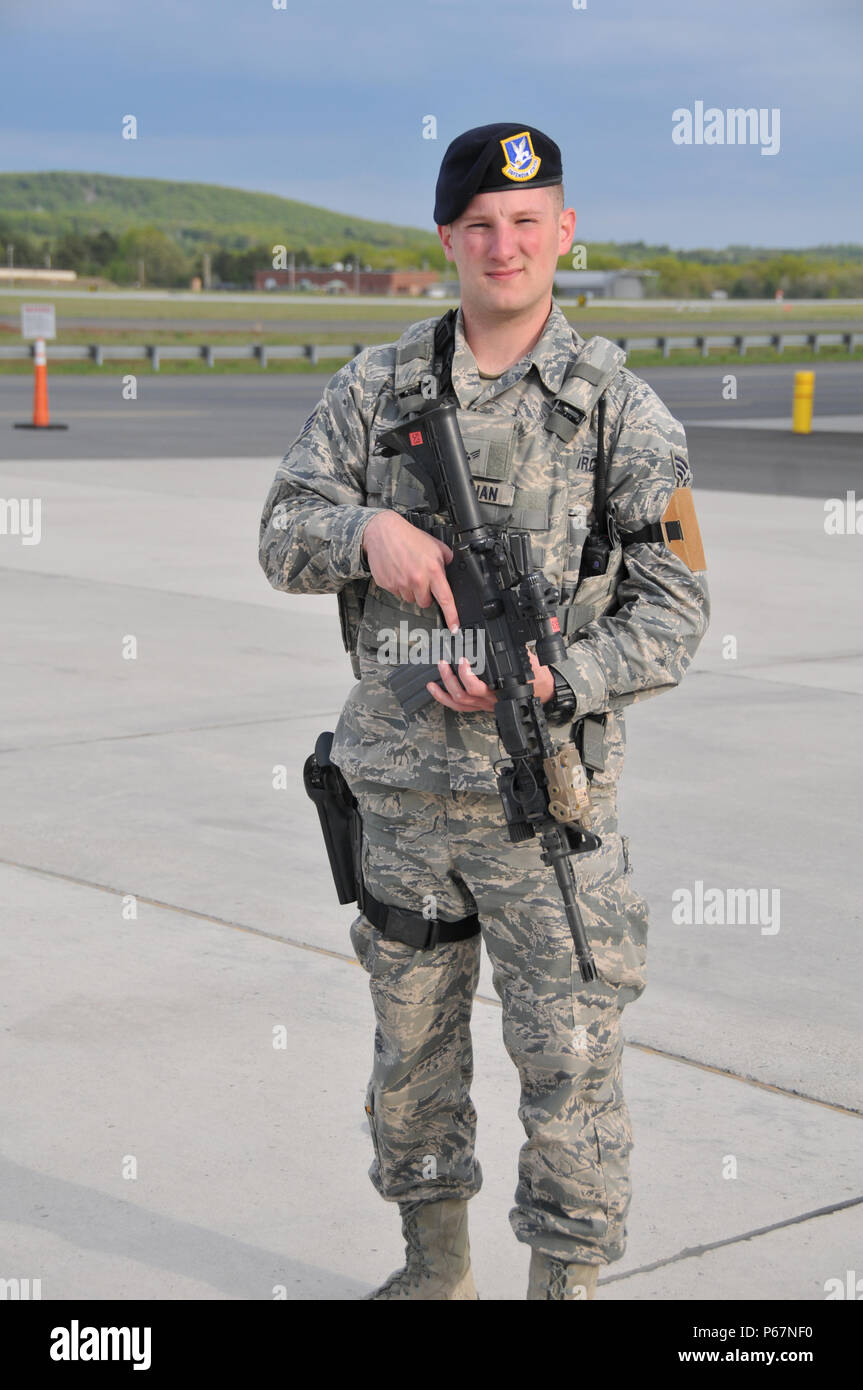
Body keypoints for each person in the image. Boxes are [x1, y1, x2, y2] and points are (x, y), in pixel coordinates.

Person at [259, 122, 710, 1300]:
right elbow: (279, 530)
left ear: (562, 233)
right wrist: (368, 530)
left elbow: (671, 613)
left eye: (526, 222)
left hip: (544, 807)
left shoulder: (618, 411)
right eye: (478, 226)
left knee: (569, 1066)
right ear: (446, 242)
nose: (502, 244)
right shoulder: (377, 388)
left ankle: (563, 1286)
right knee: (409, 1064)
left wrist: (564, 675)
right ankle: (431, 1275)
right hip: (402, 801)